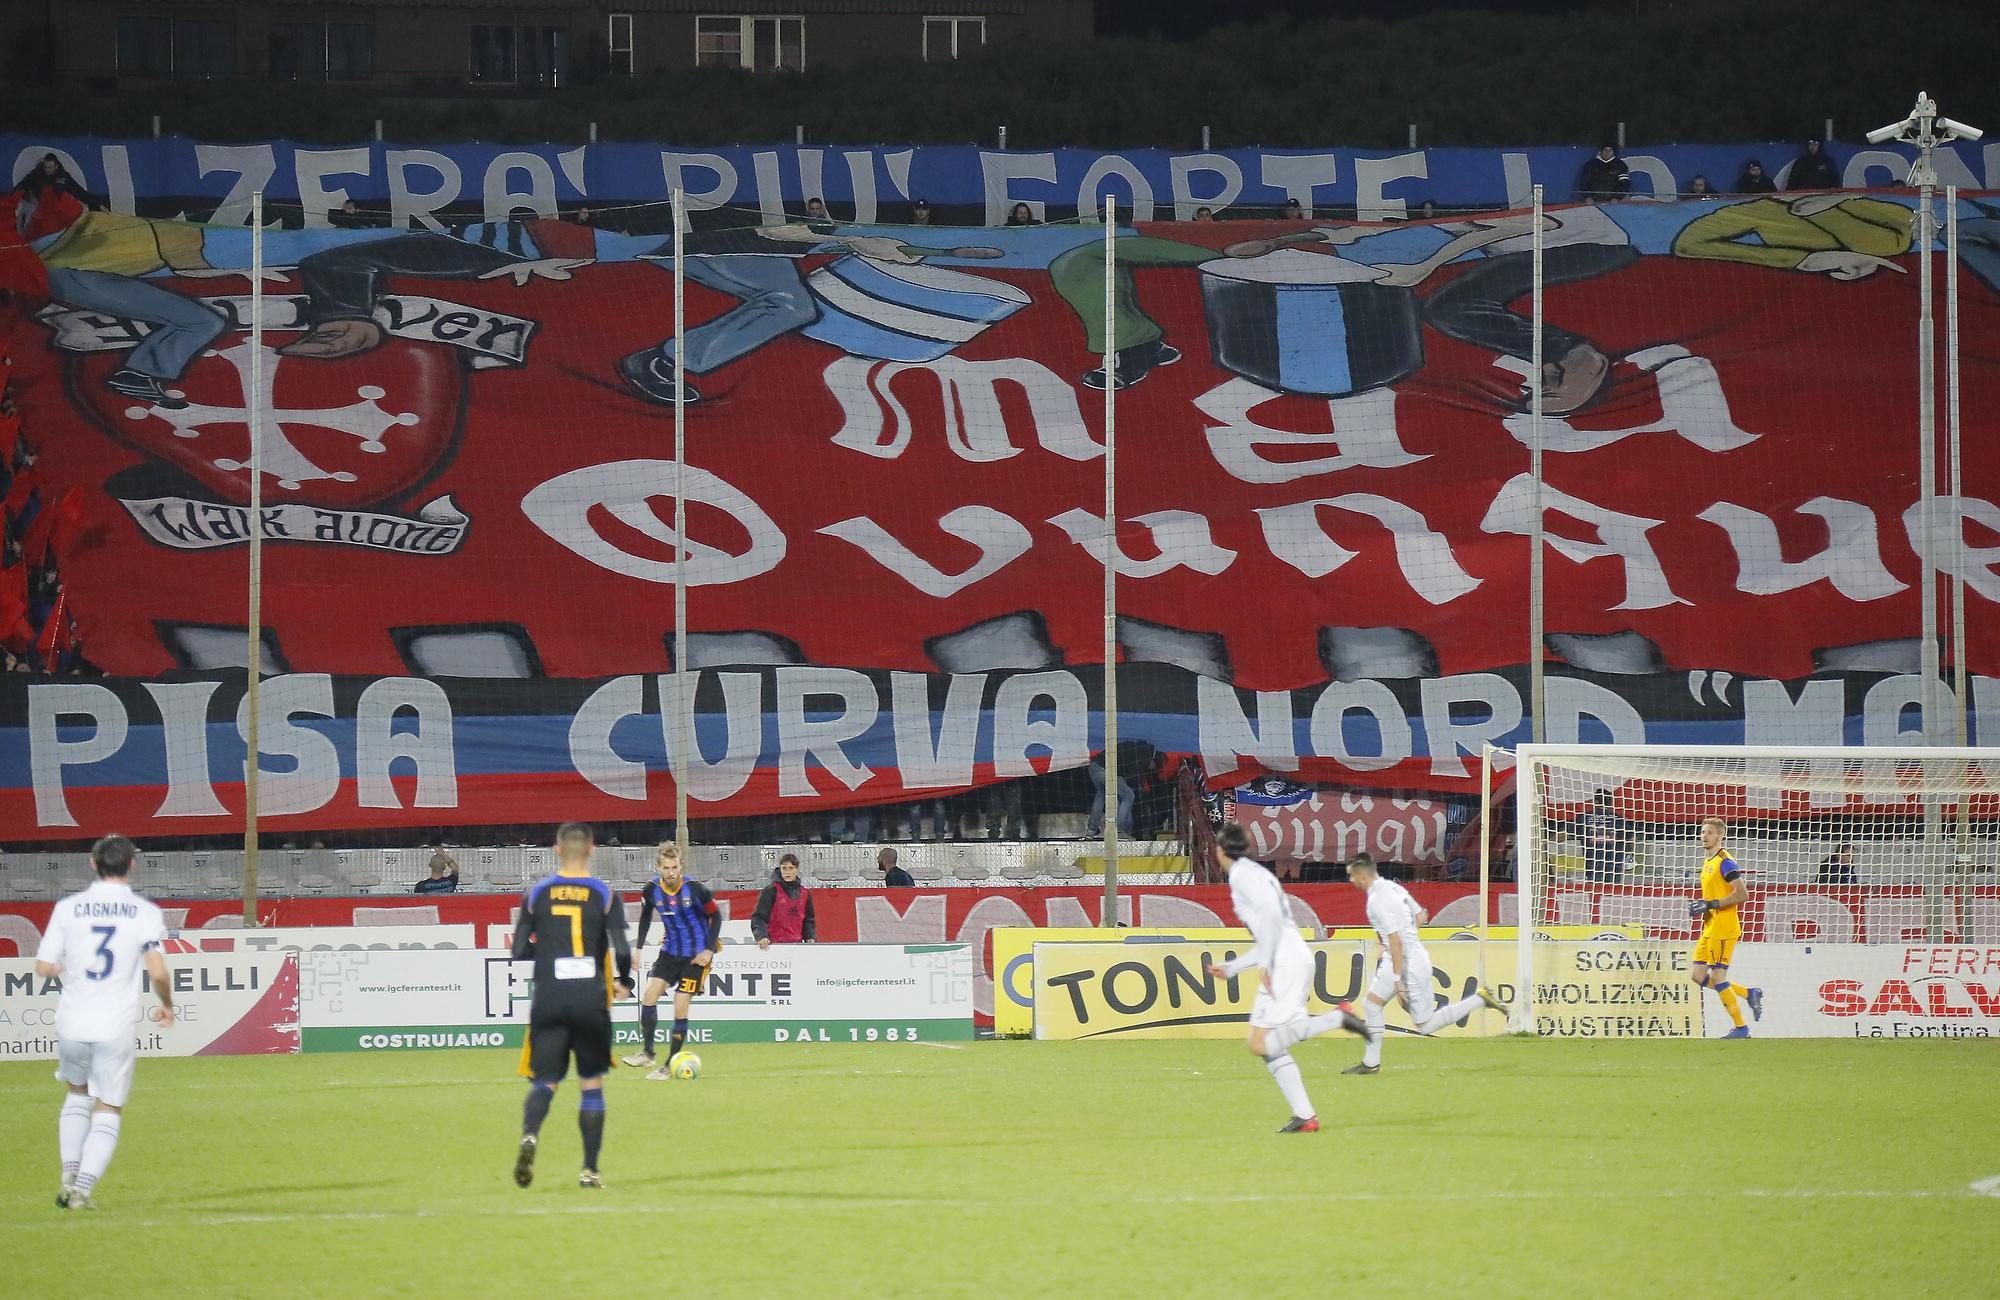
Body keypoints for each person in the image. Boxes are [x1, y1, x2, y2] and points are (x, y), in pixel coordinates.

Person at [35, 834, 172, 1209]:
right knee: (109, 1106)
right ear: (131, 865)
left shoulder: (67, 908)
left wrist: (65, 965)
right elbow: (158, 972)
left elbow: (44, 967)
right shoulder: (144, 911)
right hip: (114, 1023)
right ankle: (82, 1189)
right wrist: (167, 1004)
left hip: (72, 1021)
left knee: (77, 1093)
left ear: (93, 865)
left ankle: (68, 1174)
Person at [1203, 823, 1365, 1132]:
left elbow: (1271, 916)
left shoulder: (1241, 876)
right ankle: (1305, 1116)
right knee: (1261, 1042)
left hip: (1284, 961)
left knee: (1262, 1043)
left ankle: (1336, 1021)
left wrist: (1266, 961)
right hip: (1288, 956)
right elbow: (1269, 926)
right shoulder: (1252, 872)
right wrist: (1234, 968)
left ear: (1220, 850)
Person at [510, 822, 632, 1190]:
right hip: (589, 999)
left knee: (545, 1081)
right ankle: (589, 1171)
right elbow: (622, 949)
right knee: (591, 1085)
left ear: (557, 850)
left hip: (549, 998)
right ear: (592, 850)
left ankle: (530, 1134)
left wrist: (546, 950)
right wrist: (623, 981)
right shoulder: (604, 894)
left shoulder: (536, 893)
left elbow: (517, 951)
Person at [1341, 853, 1505, 1075]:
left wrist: (1399, 980)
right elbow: (1421, 916)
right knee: (1371, 1004)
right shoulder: (1394, 888)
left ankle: (1479, 999)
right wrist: (1403, 941)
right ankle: (1371, 1063)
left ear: (1361, 875)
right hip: (1402, 958)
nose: (1351, 881)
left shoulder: (1376, 900)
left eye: (1351, 876)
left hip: (1407, 964)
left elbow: (1396, 940)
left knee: (1425, 1025)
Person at [622, 843, 721, 1078]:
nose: (671, 872)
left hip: (696, 956)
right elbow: (646, 916)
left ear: (681, 866)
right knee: (648, 994)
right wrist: (637, 949)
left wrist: (708, 950)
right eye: (666, 868)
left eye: (675, 867)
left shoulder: (696, 889)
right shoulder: (651, 890)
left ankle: (668, 1065)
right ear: (658, 867)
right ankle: (647, 1053)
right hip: (669, 952)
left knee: (680, 1004)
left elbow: (715, 915)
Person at [1689, 817, 1764, 1038]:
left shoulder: (1725, 862)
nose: (1704, 836)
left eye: (1710, 833)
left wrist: (1711, 904)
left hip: (1724, 926)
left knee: (1719, 976)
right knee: (1698, 975)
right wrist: (1703, 906)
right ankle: (1749, 993)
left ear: (1720, 836)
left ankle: (1741, 1028)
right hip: (1710, 925)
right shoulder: (1708, 861)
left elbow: (1742, 894)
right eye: (1703, 832)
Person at [752, 853, 816, 947]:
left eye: (791, 868)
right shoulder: (770, 891)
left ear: (797, 870)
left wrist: (810, 937)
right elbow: (758, 917)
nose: (787, 872)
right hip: (773, 946)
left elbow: (808, 920)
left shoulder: (805, 893)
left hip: (797, 946)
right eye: (784, 868)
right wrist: (761, 936)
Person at [1575, 790, 1632, 883]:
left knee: (1595, 891)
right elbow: (1631, 838)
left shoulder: (1584, 818)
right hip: (1614, 863)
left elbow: (1568, 834)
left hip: (1592, 863)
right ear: (1610, 802)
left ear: (1595, 801)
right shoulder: (1619, 819)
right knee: (1612, 893)